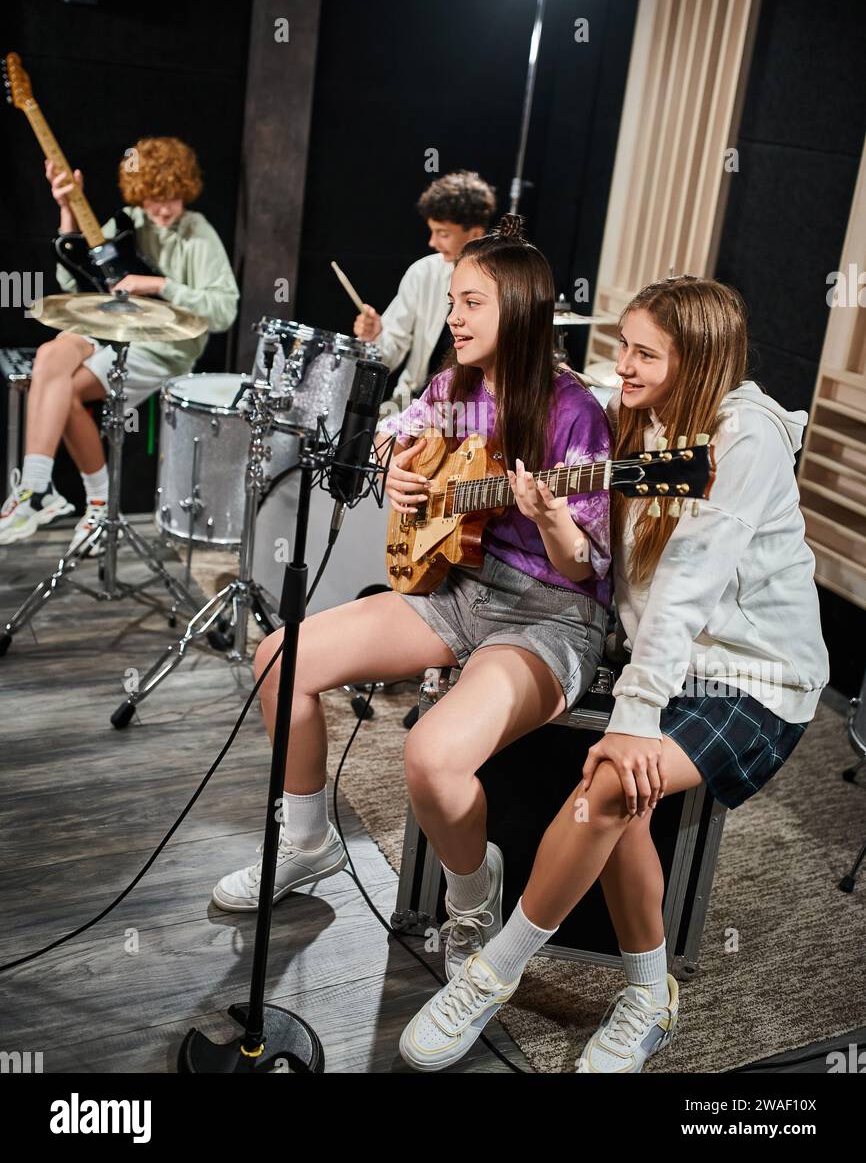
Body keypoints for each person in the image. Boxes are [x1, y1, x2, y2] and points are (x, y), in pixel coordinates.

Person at [398, 275, 830, 1074]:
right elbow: (535, 394)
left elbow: (686, 589)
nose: (621, 365)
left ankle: (493, 972)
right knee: (627, 804)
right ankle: (649, 993)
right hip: (662, 661)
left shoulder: (745, 443)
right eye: (621, 345)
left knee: (606, 785)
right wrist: (417, 449)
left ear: (696, 363)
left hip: (751, 676)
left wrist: (632, 716)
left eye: (643, 354)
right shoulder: (638, 413)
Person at [212, 221, 613, 993]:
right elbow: (401, 432)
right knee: (279, 657)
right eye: (454, 301)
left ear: (523, 312)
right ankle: (306, 842)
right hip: (455, 585)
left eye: (471, 303)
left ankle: (472, 900)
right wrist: (399, 466)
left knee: (429, 756)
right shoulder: (456, 388)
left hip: (549, 613)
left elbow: (581, 564)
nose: (454, 318)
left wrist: (552, 516)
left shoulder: (573, 414)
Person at [0, 138, 239, 552]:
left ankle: (91, 502)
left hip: (165, 348)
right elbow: (74, 284)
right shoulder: (127, 222)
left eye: (172, 198)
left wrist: (161, 285)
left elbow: (224, 310)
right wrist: (66, 211)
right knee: (50, 354)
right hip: (111, 332)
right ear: (139, 193)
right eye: (153, 199)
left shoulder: (198, 233)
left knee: (67, 393)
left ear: (185, 191)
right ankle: (36, 489)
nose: (163, 209)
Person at [353, 170, 497, 412]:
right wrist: (374, 337)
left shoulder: (497, 283)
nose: (432, 242)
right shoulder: (423, 273)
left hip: (472, 410)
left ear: (474, 233)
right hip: (412, 403)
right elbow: (386, 357)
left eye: (443, 234)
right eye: (432, 232)